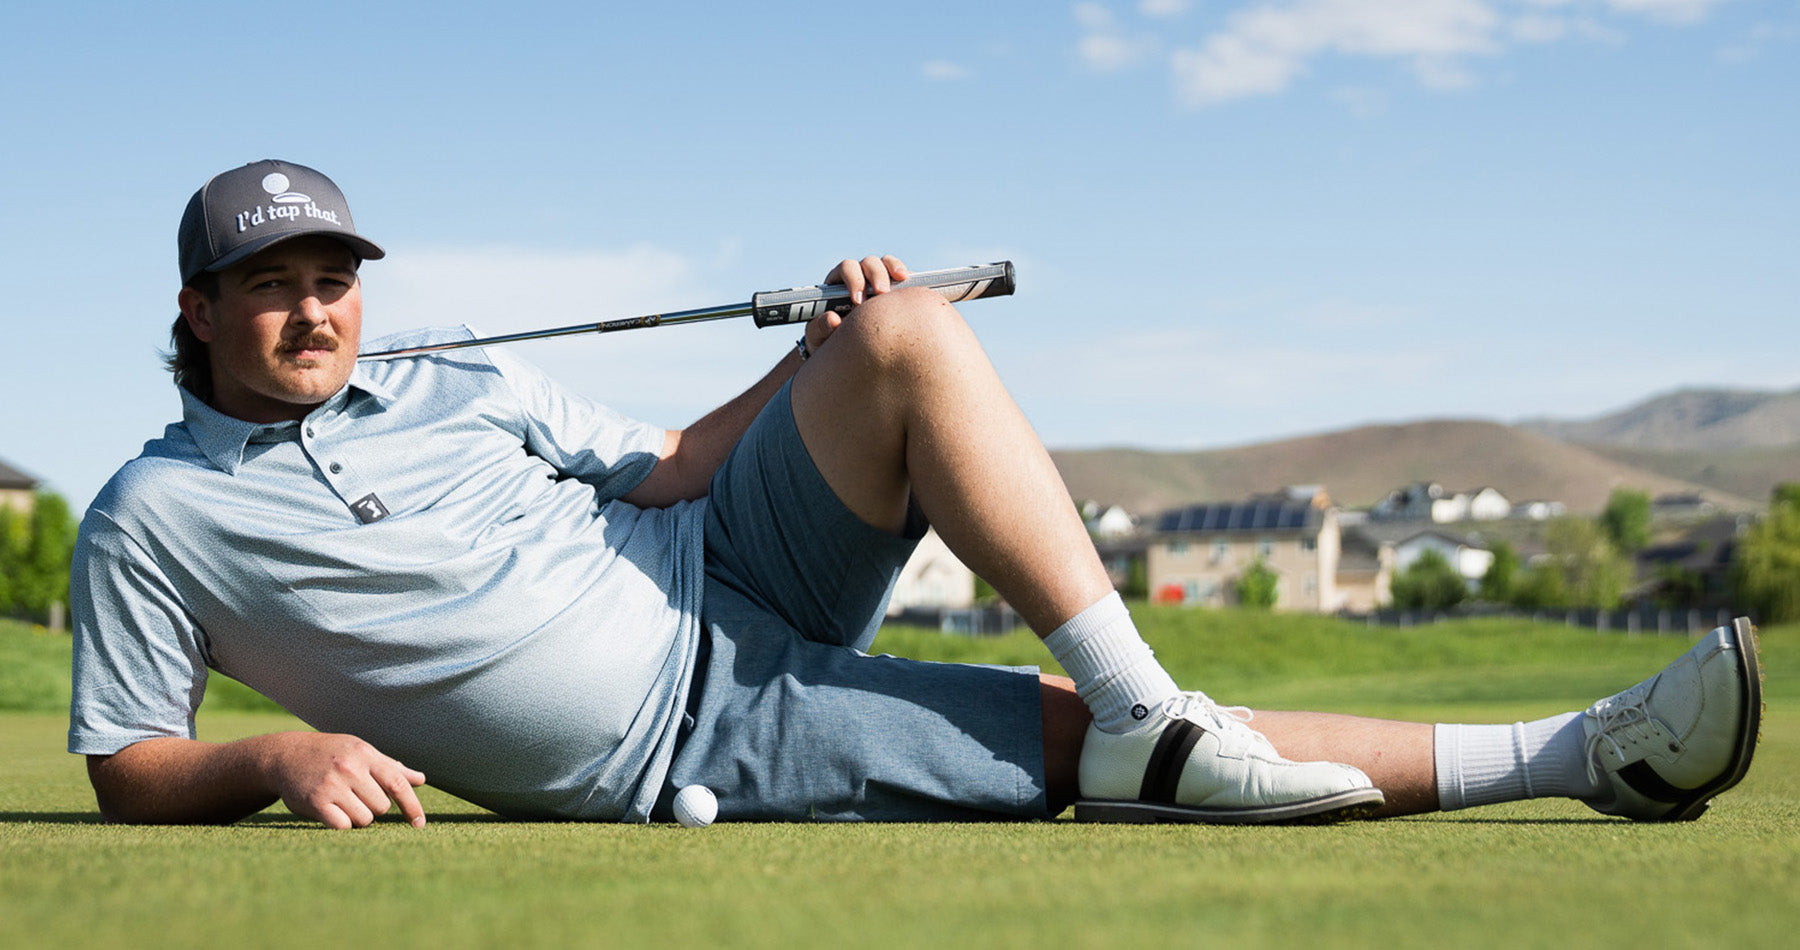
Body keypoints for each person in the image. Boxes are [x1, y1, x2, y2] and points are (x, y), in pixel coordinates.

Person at [68, 160, 1762, 830]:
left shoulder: (456, 376)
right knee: (1075, 755)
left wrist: (819, 347)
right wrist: (273, 752)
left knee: (906, 328)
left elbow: (668, 468)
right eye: (272, 283)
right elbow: (124, 762)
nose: (314, 309)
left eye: (332, 275)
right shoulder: (151, 519)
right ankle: (1590, 755)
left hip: (714, 545)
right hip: (685, 737)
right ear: (198, 312)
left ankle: (1148, 704)